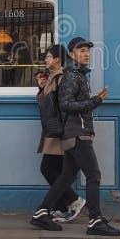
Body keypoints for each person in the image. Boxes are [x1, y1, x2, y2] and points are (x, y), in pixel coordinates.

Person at [30, 37, 120, 236]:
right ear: (71, 54)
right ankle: (95, 220)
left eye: (88, 50)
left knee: (65, 177)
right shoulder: (72, 75)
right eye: (81, 50)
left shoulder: (77, 74)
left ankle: (41, 213)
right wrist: (96, 100)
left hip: (76, 134)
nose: (86, 53)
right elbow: (66, 105)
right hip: (77, 134)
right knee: (93, 175)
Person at [35, 44, 86, 223]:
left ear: (57, 59)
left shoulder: (61, 78)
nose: (46, 60)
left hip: (59, 132)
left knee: (48, 169)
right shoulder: (52, 78)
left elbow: (60, 105)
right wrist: (41, 88)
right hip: (53, 131)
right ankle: (62, 207)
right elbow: (45, 104)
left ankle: (73, 201)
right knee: (55, 170)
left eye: (48, 56)